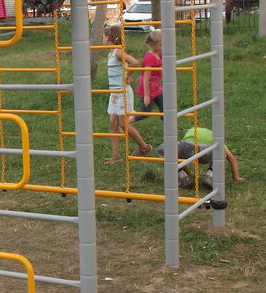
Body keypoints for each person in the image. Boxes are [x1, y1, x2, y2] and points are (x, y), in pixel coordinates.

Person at [102, 24, 152, 163]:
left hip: (122, 92)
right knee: (113, 124)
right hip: (114, 92)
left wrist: (126, 76)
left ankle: (144, 147)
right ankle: (116, 156)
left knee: (123, 125)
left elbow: (134, 62)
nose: (102, 38)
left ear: (109, 37)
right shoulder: (111, 53)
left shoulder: (118, 52)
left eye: (103, 35)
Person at [161, 126, 243, 188]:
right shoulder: (217, 138)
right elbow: (231, 158)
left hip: (188, 148)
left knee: (176, 154)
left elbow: (180, 153)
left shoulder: (191, 133)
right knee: (221, 153)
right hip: (206, 152)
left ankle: (184, 177)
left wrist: (189, 174)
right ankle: (210, 175)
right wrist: (236, 177)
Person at [130, 29, 164, 124]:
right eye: (160, 45)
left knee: (165, 108)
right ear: (153, 45)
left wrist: (140, 75)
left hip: (156, 88)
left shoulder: (158, 54)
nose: (162, 47)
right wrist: (147, 96)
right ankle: (125, 124)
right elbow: (146, 77)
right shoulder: (150, 58)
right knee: (145, 112)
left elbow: (144, 69)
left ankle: (169, 129)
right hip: (148, 88)